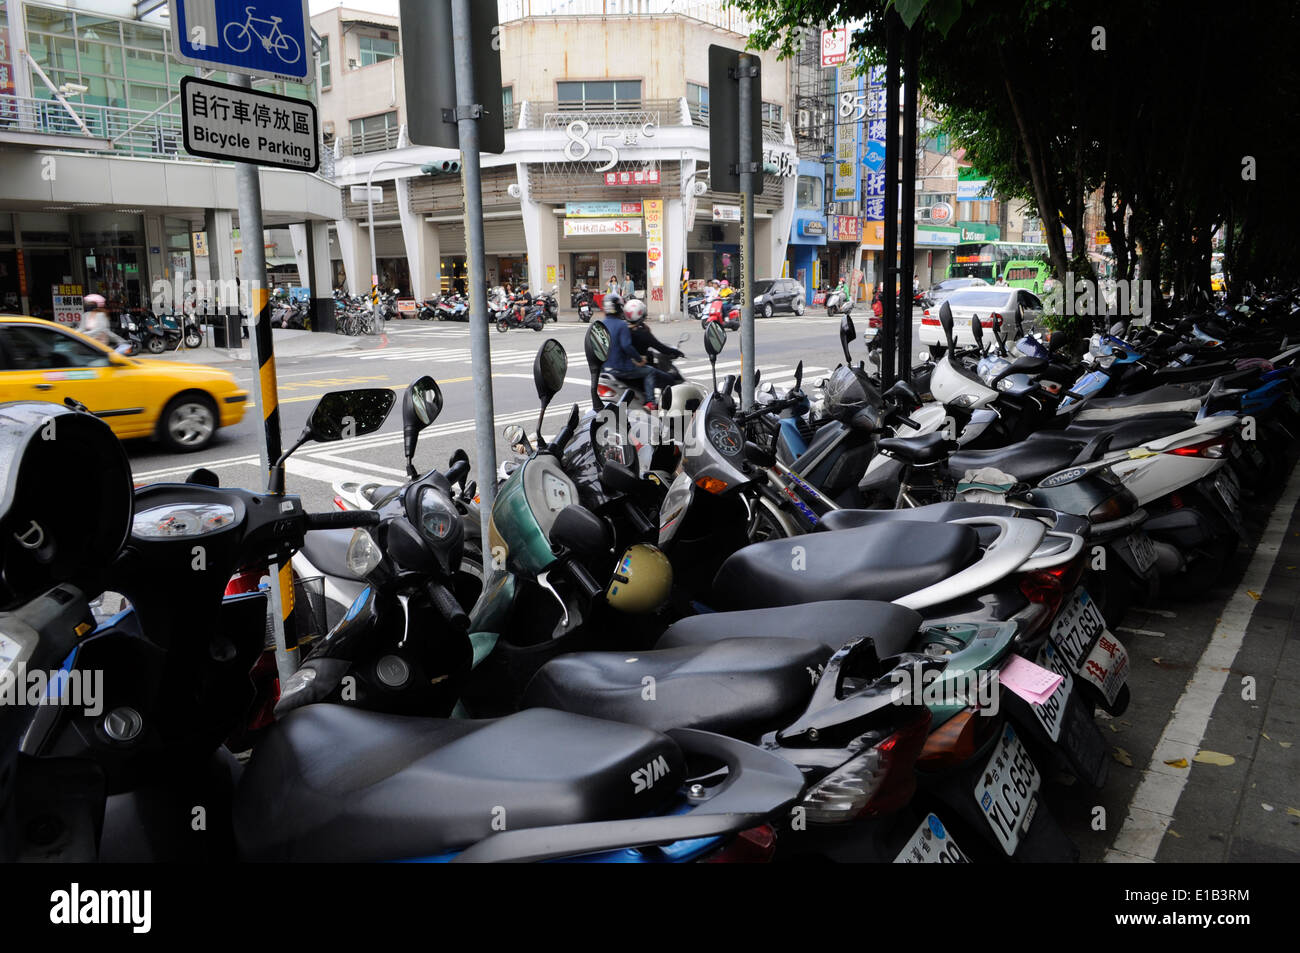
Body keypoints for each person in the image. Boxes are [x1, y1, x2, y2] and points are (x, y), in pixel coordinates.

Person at [601, 294, 674, 407]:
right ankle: (650, 402)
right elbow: (626, 346)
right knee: (649, 371)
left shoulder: (601, 324)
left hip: (605, 369)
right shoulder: (622, 325)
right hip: (621, 368)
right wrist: (639, 359)